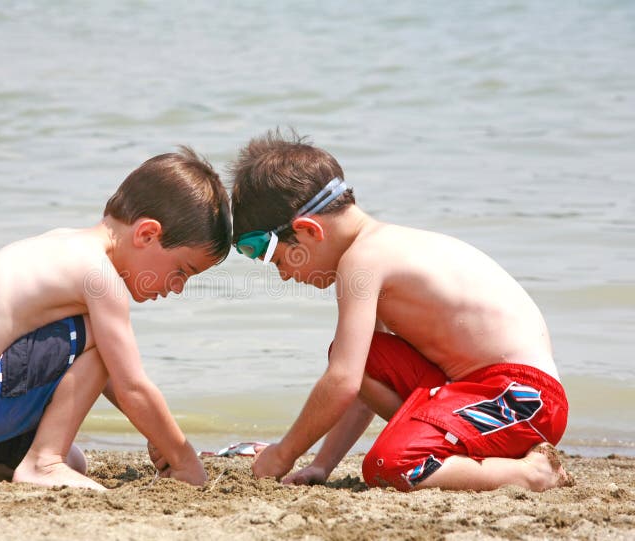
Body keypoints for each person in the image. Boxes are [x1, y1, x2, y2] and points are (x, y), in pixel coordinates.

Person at [229, 130, 573, 492]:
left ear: (309, 231)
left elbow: (342, 383)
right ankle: (444, 443)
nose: (284, 275)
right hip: (476, 390)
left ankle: (531, 474)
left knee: (388, 465)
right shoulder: (377, 249)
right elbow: (359, 383)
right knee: (362, 357)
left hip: (521, 398)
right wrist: (321, 465)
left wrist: (283, 454)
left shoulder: (362, 262)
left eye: (279, 259)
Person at [0, 147, 232, 490]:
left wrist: (155, 433)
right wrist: (184, 459)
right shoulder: (100, 278)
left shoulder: (65, 244)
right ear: (147, 234)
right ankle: (44, 463)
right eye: (182, 271)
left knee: (76, 461)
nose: (178, 287)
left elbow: (95, 370)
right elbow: (131, 385)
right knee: (97, 336)